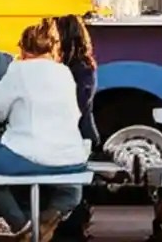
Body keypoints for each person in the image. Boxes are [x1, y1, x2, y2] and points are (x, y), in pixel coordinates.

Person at [0, 18, 90, 242]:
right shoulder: (64, 72)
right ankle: (56, 211)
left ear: (23, 48)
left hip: (32, 155)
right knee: (70, 185)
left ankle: (21, 223)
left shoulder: (19, 69)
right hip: (72, 158)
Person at [54, 14, 99, 241]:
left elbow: (78, 108)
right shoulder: (79, 67)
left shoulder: (81, 69)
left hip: (80, 136)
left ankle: (72, 228)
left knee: (72, 185)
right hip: (75, 134)